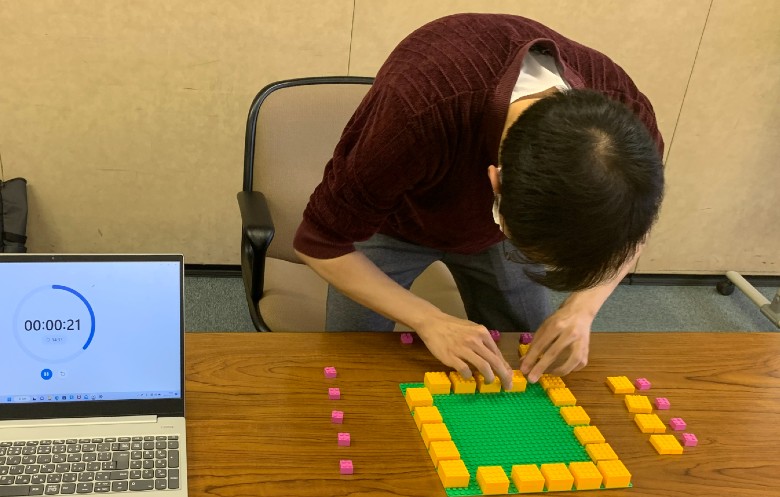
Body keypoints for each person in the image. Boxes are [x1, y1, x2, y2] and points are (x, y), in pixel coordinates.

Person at [293, 13, 664, 388]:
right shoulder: (416, 107)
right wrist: (428, 319)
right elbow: (319, 241)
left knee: (528, 356)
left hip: (505, 223)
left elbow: (634, 226)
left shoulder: (627, 122)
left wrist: (583, 308)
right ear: (496, 182)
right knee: (352, 360)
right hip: (396, 219)